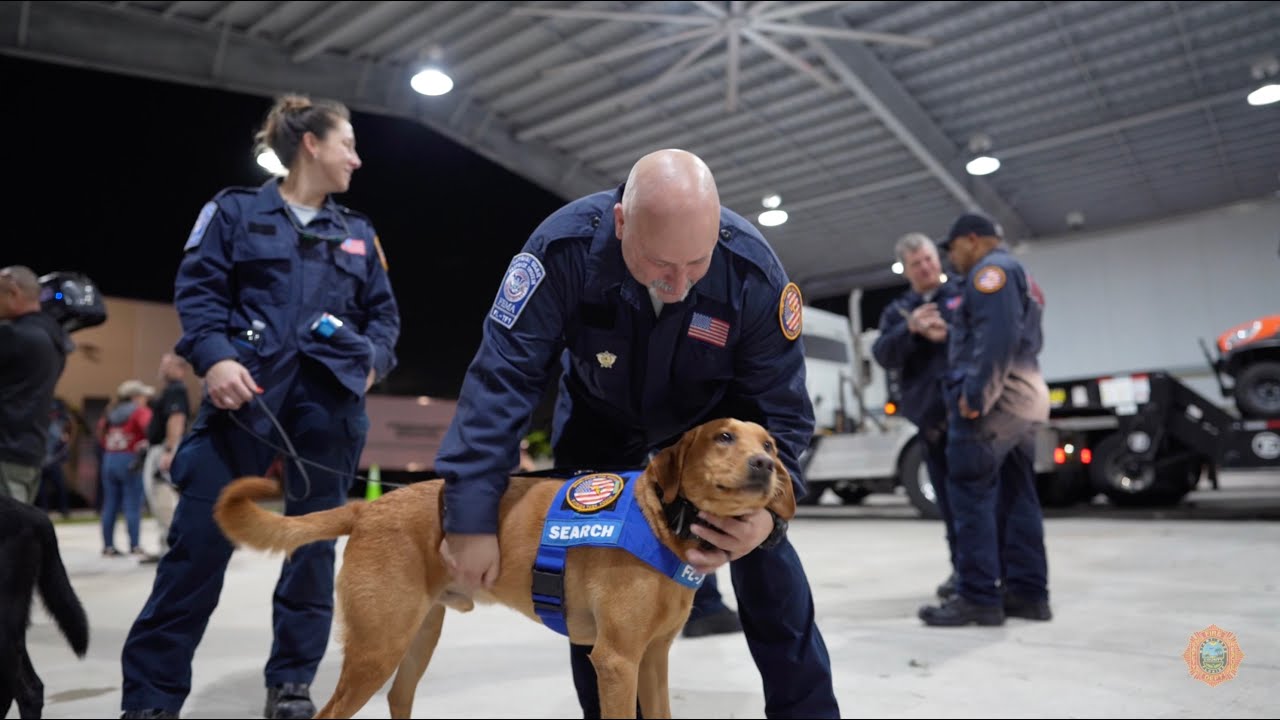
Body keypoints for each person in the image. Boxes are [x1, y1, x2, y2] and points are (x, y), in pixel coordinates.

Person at [435, 149, 838, 719]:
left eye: (695, 266)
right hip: (601, 416)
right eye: (658, 264)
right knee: (584, 568)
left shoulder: (754, 275)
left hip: (714, 423)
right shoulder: (563, 252)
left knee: (770, 569)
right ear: (622, 221)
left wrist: (768, 517)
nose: (676, 286)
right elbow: (504, 380)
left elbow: (784, 411)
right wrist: (470, 515)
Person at [119, 94, 401, 720]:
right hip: (241, 406)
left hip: (327, 414)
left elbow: (384, 318)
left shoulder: (357, 233)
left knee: (311, 552)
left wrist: (374, 364)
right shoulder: (233, 211)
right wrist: (215, 358)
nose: (356, 158)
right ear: (312, 145)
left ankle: (292, 685)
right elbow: (198, 291)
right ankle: (150, 703)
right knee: (195, 550)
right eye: (347, 143)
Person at [918, 212, 1052, 627]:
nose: (951, 258)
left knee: (970, 497)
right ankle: (1029, 594)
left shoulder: (990, 273)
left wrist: (975, 396)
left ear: (972, 240)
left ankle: (977, 597)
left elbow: (997, 339)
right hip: (1025, 400)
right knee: (1018, 497)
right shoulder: (1021, 273)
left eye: (953, 248)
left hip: (996, 403)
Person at [871, 233, 961, 600]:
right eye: (915, 264)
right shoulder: (899, 311)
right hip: (930, 422)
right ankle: (963, 571)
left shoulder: (961, 295)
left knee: (978, 501)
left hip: (968, 415)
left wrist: (946, 334)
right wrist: (911, 330)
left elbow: (985, 342)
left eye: (928, 259)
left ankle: (987, 571)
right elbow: (882, 354)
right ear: (906, 271)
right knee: (948, 504)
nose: (925, 267)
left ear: (937, 259)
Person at [0, 265, 71, 505]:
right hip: (31, 453)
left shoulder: (12, 336)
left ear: (13, 293)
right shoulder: (55, 339)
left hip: (5, 453)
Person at [138, 352, 193, 561]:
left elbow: (176, 418)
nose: (161, 368)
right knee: (159, 500)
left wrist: (170, 450)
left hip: (164, 450)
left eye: (166, 364)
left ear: (180, 369)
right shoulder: (171, 390)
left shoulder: (176, 389)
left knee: (163, 499)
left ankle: (173, 549)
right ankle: (166, 547)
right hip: (161, 446)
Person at [96, 380, 155, 557]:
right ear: (134, 397)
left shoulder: (110, 411)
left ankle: (108, 546)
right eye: (143, 396)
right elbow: (150, 430)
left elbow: (100, 433)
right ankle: (135, 545)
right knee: (132, 504)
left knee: (110, 504)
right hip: (131, 459)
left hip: (110, 458)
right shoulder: (140, 412)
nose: (145, 399)